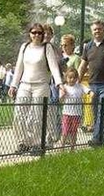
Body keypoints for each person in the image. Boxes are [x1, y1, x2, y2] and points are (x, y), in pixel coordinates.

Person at [8, 23, 63, 155]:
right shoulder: (24, 47)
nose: (37, 35)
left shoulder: (47, 47)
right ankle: (23, 142)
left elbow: (54, 67)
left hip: (41, 85)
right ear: (29, 33)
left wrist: (59, 84)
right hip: (24, 84)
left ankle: (37, 144)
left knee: (37, 117)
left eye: (39, 33)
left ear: (43, 34)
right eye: (34, 32)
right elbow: (19, 67)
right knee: (19, 115)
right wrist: (13, 85)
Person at [59, 67, 90, 152]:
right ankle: (61, 148)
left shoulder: (80, 86)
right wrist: (62, 95)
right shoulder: (64, 87)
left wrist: (91, 93)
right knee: (65, 131)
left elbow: (88, 91)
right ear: (66, 78)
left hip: (77, 114)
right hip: (67, 113)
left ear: (77, 78)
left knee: (73, 132)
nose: (72, 79)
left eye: (74, 78)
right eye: (70, 77)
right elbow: (60, 100)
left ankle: (72, 148)